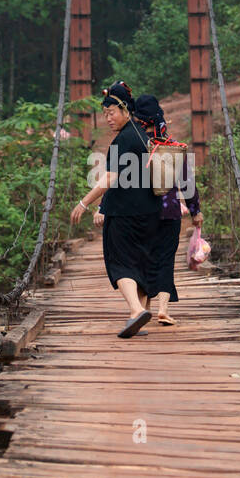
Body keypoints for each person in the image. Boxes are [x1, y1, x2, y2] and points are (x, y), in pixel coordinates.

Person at [70, 81, 160, 338]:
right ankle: (140, 313)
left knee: (120, 263)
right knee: (141, 263)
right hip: (150, 212)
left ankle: (135, 311)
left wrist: (84, 202)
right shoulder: (143, 135)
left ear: (125, 110)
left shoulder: (123, 140)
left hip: (125, 214)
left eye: (112, 112)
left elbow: (110, 178)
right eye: (105, 114)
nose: (108, 118)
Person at [130, 94, 202, 326]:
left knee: (142, 260)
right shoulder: (172, 147)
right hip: (169, 213)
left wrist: (104, 207)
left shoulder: (134, 145)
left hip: (141, 214)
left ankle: (142, 308)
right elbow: (186, 183)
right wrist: (195, 211)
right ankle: (163, 310)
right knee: (164, 260)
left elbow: (117, 180)